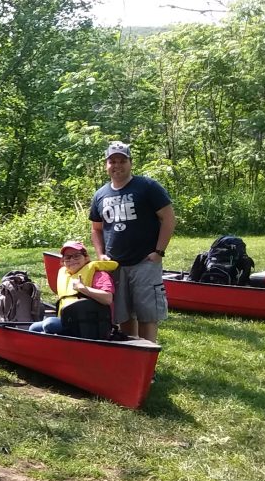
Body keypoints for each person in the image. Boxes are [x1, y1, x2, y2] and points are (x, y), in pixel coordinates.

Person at [89, 141, 175, 343]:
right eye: (112, 161)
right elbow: (96, 229)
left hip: (145, 261)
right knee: (123, 315)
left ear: (130, 163)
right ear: (106, 165)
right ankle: (131, 357)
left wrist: (158, 252)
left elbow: (169, 219)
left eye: (122, 161)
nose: (117, 165)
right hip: (115, 265)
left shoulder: (147, 187)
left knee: (148, 315)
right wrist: (101, 254)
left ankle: (148, 361)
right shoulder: (100, 195)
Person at [29, 241, 116, 335]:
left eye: (77, 256)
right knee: (34, 328)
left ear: (86, 257)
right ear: (63, 261)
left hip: (89, 323)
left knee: (50, 324)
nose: (72, 260)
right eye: (67, 257)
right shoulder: (65, 275)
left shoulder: (99, 275)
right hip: (68, 321)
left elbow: (108, 299)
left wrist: (84, 289)